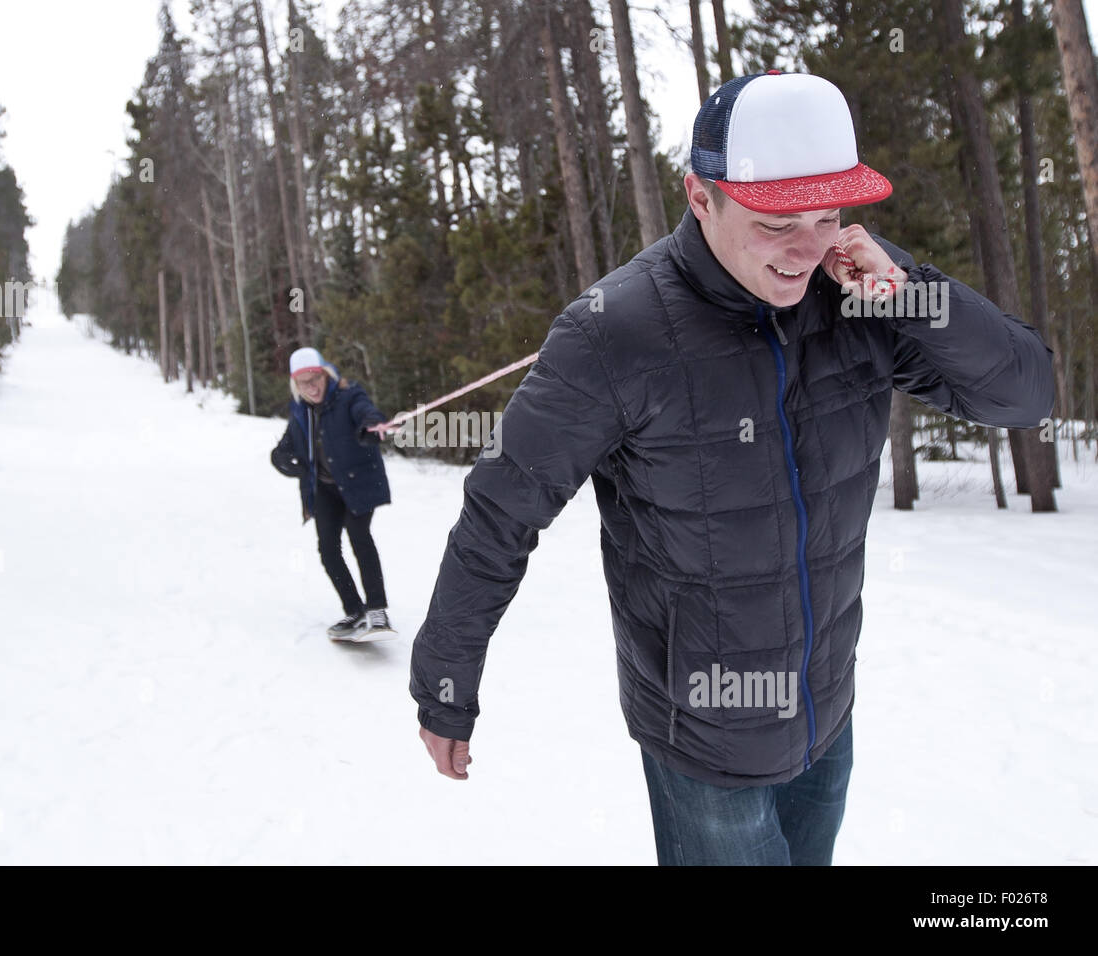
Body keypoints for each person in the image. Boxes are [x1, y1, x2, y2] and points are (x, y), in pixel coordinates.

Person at [408, 72, 1054, 864]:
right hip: (704, 743)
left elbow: (1025, 396)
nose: (807, 249)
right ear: (699, 195)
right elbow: (499, 514)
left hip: (826, 711)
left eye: (827, 216)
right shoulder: (616, 333)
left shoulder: (862, 291)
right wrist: (445, 685)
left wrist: (918, 295)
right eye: (777, 221)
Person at [271, 346, 394, 639]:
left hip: (359, 482)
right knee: (327, 549)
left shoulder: (348, 396)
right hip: (326, 489)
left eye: (316, 379)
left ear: (326, 375)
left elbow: (366, 412)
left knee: (359, 536)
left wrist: (372, 426)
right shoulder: (300, 412)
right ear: (296, 385)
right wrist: (283, 461)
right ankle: (354, 610)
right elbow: (287, 448)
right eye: (304, 382)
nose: (311, 387)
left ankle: (377, 610)